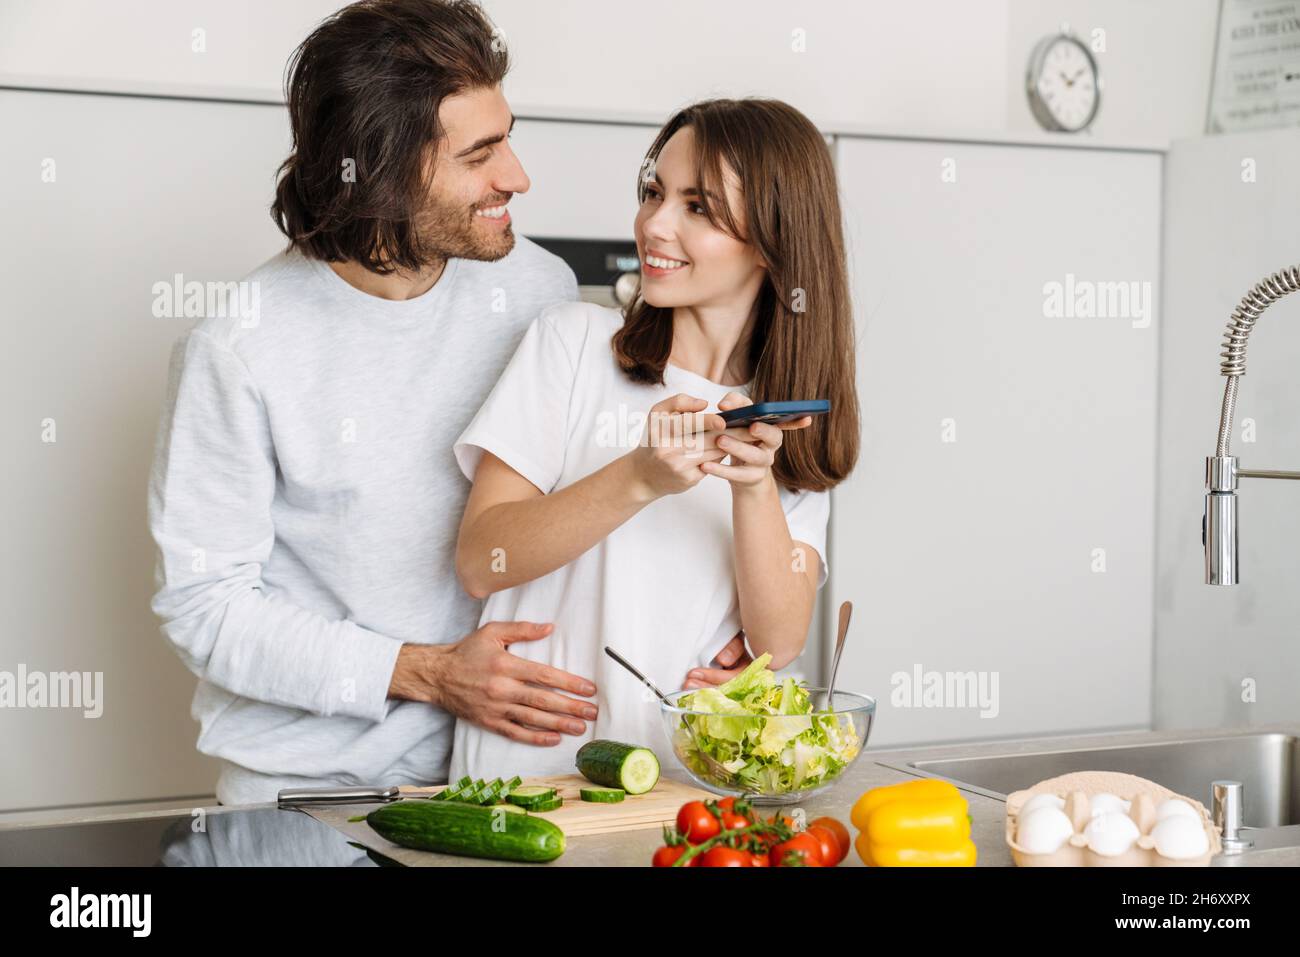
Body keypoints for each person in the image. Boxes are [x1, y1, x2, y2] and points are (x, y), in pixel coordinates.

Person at [146, 0, 748, 806]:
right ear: (384, 170)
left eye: (509, 135)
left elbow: (599, 503)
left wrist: (718, 631)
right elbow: (204, 605)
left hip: (520, 778)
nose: (518, 176)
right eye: (481, 154)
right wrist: (427, 673)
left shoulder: (541, 290)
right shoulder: (241, 349)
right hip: (314, 795)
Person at [449, 97, 861, 780]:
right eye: (653, 193)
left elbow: (779, 639)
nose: (654, 225)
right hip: (520, 776)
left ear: (772, 239)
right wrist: (639, 477)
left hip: (679, 789)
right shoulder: (573, 344)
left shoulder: (782, 423)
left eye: (697, 207)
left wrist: (755, 484)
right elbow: (479, 560)